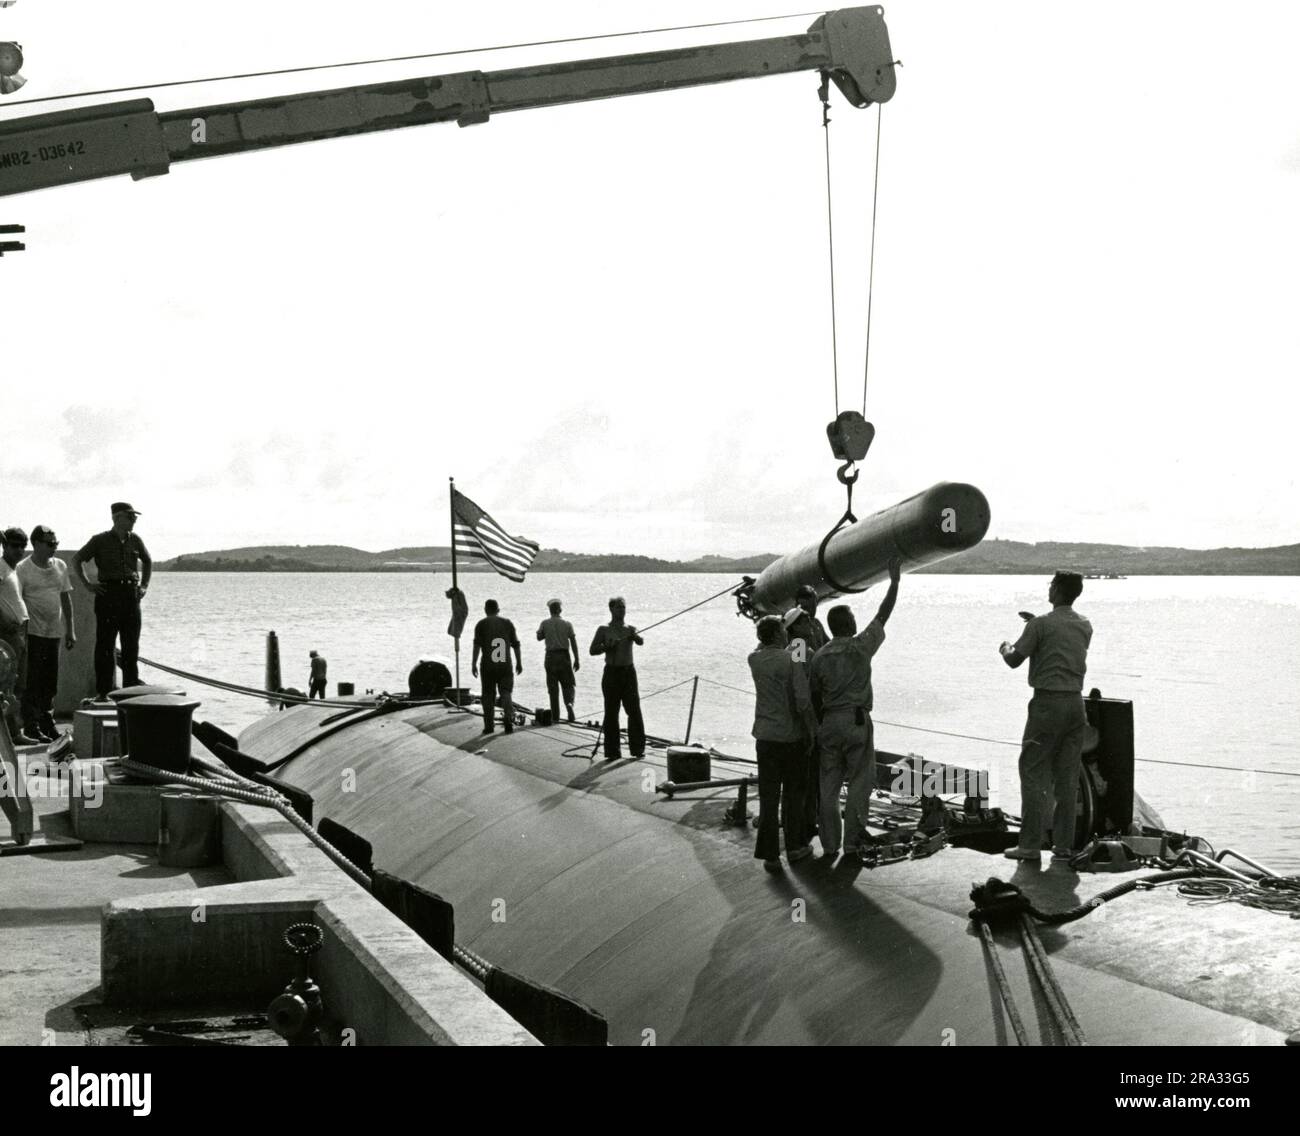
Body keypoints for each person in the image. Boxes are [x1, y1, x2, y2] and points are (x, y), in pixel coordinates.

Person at [808, 558, 901, 860]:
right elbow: (883, 614)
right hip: (857, 720)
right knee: (861, 782)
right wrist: (895, 581)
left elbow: (814, 696)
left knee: (829, 787)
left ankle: (830, 844)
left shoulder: (819, 656)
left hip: (829, 723)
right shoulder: (861, 647)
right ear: (850, 625)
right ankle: (852, 843)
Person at [998, 571, 1093, 863]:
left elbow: (1015, 659)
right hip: (1076, 705)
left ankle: (1029, 844)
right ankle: (1063, 846)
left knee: (1033, 771)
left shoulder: (1040, 625)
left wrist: (1005, 646)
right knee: (1067, 778)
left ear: (1058, 589)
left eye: (1051, 585)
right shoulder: (1084, 625)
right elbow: (1059, 641)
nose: (1048, 589)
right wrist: (1035, 627)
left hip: (1047, 705)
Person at [749, 614, 815, 872]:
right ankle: (796, 846)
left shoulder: (754, 660)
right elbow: (802, 701)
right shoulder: (792, 660)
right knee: (793, 795)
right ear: (778, 635)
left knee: (768, 797)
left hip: (764, 736)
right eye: (783, 630)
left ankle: (770, 855)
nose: (787, 633)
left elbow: (758, 647)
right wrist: (811, 731)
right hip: (789, 737)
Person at [72, 502, 151, 698]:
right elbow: (77, 559)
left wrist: (144, 586)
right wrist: (87, 584)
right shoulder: (100, 540)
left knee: (131, 645)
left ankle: (130, 692)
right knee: (105, 646)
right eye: (129, 516)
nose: (134, 520)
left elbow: (147, 561)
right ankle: (104, 691)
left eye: (135, 517)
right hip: (108, 594)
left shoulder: (136, 541)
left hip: (130, 595)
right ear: (116, 518)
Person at [16, 525, 75, 742]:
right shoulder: (23, 569)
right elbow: (18, 599)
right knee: (32, 681)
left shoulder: (60, 565)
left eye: (56, 544)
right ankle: (31, 725)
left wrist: (71, 629)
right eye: (50, 544)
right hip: (32, 632)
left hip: (54, 632)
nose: (54, 548)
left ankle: (47, 723)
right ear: (36, 544)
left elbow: (66, 598)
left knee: (50, 682)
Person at [784, 583, 829, 838]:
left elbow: (828, 648)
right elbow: (801, 672)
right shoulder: (798, 639)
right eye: (802, 603)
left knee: (817, 767)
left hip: (819, 699)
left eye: (810, 601)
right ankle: (807, 819)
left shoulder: (817, 626)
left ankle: (815, 814)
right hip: (810, 700)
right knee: (809, 768)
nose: (807, 606)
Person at [589, 596, 645, 761]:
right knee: (612, 712)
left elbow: (641, 642)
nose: (622, 610)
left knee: (633, 709)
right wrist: (607, 647)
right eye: (618, 607)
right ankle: (613, 751)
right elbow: (592, 650)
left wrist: (635, 637)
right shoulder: (604, 629)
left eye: (623, 607)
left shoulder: (631, 628)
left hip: (629, 673)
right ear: (611, 609)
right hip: (612, 673)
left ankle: (637, 748)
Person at [0, 527, 34, 743]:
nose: (19, 550)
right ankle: (10, 735)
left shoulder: (13, 570)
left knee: (17, 684)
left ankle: (14, 732)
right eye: (14, 546)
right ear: (5, 546)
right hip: (7, 632)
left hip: (19, 632)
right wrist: (4, 622)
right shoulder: (1, 567)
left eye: (23, 546)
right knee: (6, 686)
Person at [472, 599, 521, 734]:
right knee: (506, 692)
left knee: (488, 695)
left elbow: (477, 645)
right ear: (498, 610)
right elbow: (516, 644)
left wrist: (473, 663)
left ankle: (489, 726)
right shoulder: (507, 623)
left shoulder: (481, 624)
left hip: (488, 665)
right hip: (504, 664)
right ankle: (508, 720)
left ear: (486, 610)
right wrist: (519, 662)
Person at [536, 598, 580, 723]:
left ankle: (555, 717)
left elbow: (539, 637)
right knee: (568, 685)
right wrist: (577, 659)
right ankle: (569, 704)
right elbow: (573, 642)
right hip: (564, 656)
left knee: (553, 688)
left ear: (550, 611)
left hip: (550, 656)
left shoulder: (545, 623)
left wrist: (542, 633)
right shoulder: (567, 623)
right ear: (560, 610)